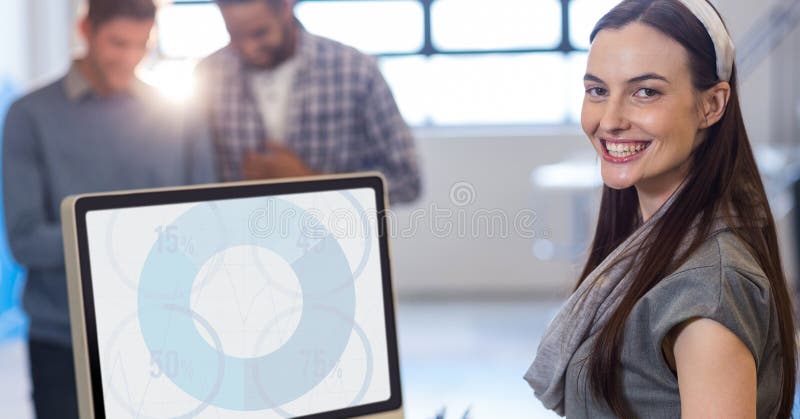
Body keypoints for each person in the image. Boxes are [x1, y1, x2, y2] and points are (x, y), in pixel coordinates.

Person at [525, 0, 796, 417]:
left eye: (645, 92)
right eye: (598, 90)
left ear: (712, 105)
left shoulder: (707, 293)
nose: (610, 119)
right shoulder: (653, 248)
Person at [2, 1, 215, 417]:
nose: (128, 59)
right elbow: (26, 240)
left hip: (162, 335)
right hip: (64, 336)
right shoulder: (30, 116)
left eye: (141, 45)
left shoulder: (177, 117)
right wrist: (132, 237)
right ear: (85, 29)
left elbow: (204, 221)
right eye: (117, 43)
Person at [194, 0, 421, 204]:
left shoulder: (354, 70)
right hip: (240, 242)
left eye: (259, 33)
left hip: (333, 242)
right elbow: (191, 180)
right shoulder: (208, 75)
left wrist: (308, 180)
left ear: (285, 6)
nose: (248, 48)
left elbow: (407, 180)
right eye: (235, 35)